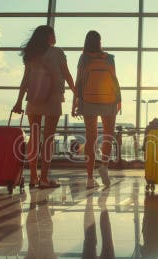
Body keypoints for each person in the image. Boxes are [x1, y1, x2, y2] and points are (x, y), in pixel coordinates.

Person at [12, 25, 77, 189]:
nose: (55, 37)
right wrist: (77, 94)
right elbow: (67, 75)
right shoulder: (58, 52)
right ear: (48, 36)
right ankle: (44, 178)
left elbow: (25, 80)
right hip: (53, 98)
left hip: (33, 98)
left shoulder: (31, 54)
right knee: (48, 139)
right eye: (53, 34)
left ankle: (33, 177)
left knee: (34, 138)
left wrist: (19, 101)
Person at [74, 31, 121, 189]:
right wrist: (118, 100)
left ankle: (89, 178)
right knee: (108, 134)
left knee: (91, 137)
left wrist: (76, 101)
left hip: (88, 100)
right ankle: (104, 166)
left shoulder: (84, 58)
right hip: (108, 100)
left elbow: (79, 80)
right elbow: (114, 79)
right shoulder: (109, 58)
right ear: (100, 42)